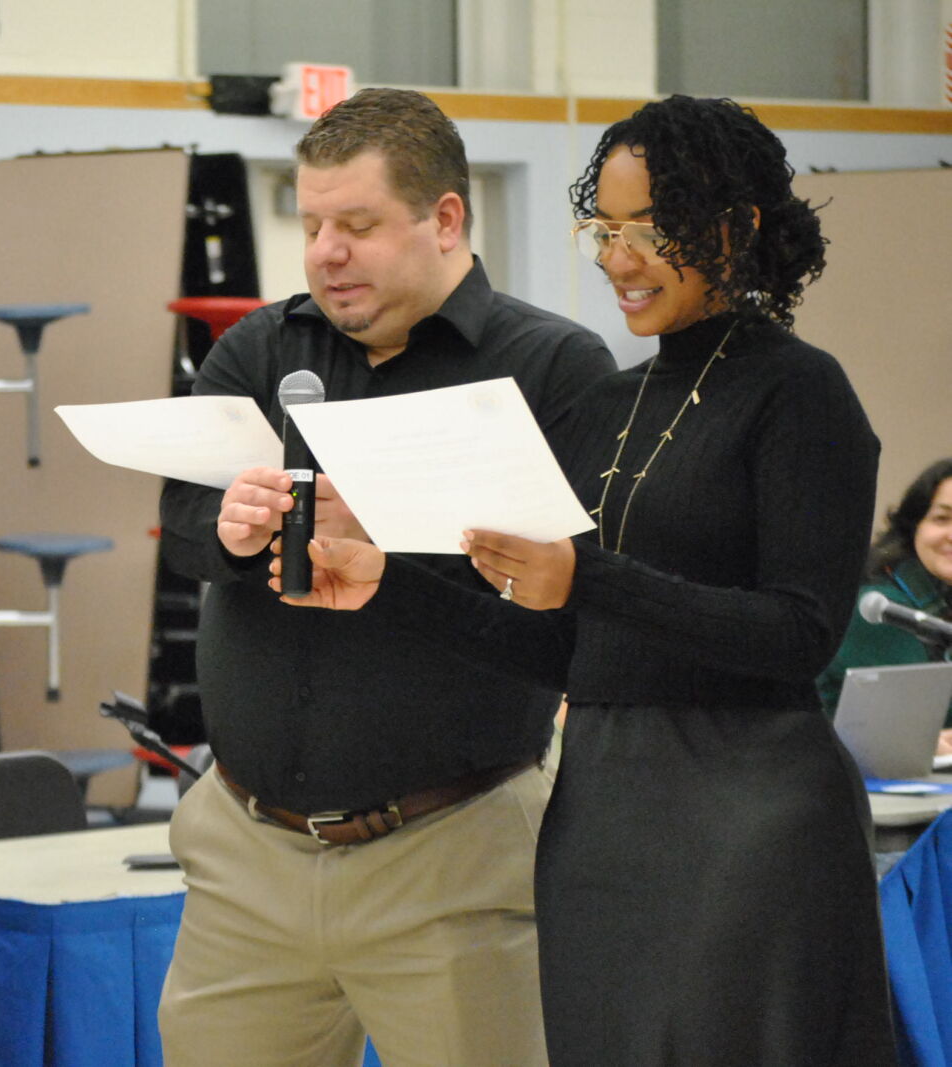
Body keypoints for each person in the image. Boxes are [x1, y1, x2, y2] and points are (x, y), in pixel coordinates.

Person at [282, 95, 897, 1065]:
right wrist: (382, 584)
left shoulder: (798, 389)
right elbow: (556, 645)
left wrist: (588, 576)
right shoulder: (609, 401)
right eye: (601, 230)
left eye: (646, 232)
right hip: (602, 814)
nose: (616, 259)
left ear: (732, 229)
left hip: (748, 813)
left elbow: (798, 634)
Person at [155, 87, 614, 1066]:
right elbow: (182, 526)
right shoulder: (259, 348)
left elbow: (580, 613)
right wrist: (230, 533)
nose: (324, 251)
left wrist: (404, 568)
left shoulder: (549, 372)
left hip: (449, 856)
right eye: (311, 223)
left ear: (444, 218)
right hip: (245, 855)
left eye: (355, 225)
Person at [819, 457, 952, 753]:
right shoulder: (877, 607)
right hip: (856, 782)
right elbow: (903, 731)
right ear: (914, 525)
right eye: (942, 519)